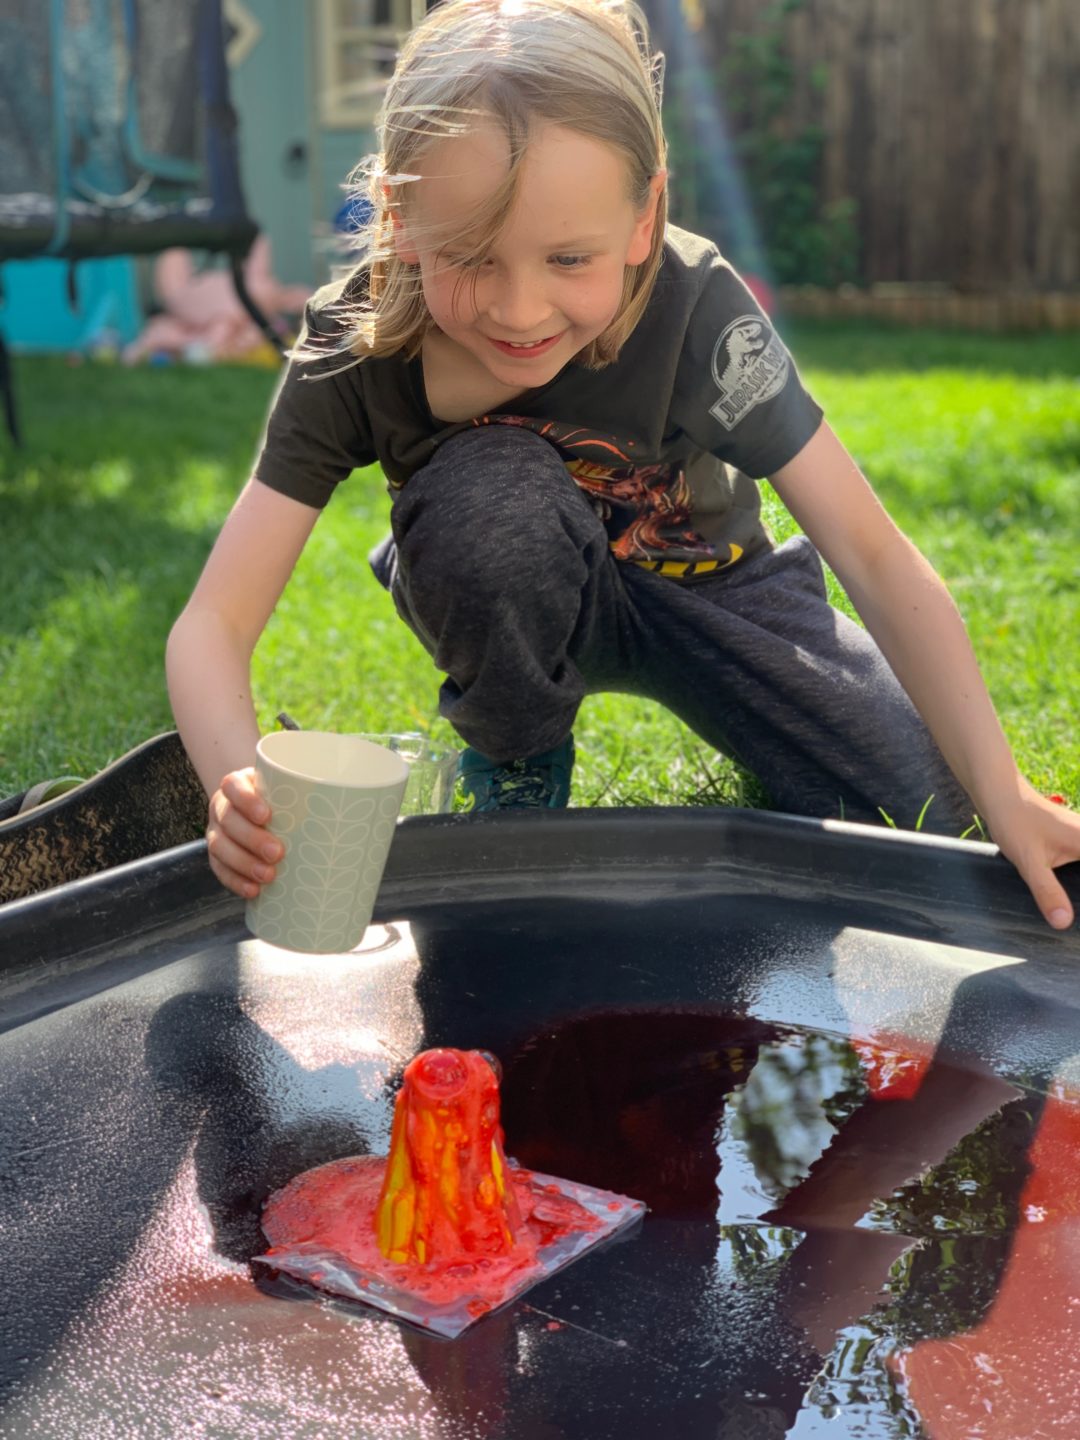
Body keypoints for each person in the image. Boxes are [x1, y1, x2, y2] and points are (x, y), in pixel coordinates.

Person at [166, 0, 1080, 930]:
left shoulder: (699, 313)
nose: (521, 310)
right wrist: (236, 781)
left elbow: (876, 557)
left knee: (929, 818)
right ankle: (518, 756)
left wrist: (999, 785)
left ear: (644, 216)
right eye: (473, 258)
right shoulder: (358, 343)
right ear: (399, 217)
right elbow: (213, 622)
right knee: (494, 510)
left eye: (569, 258)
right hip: (506, 573)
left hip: (716, 593)